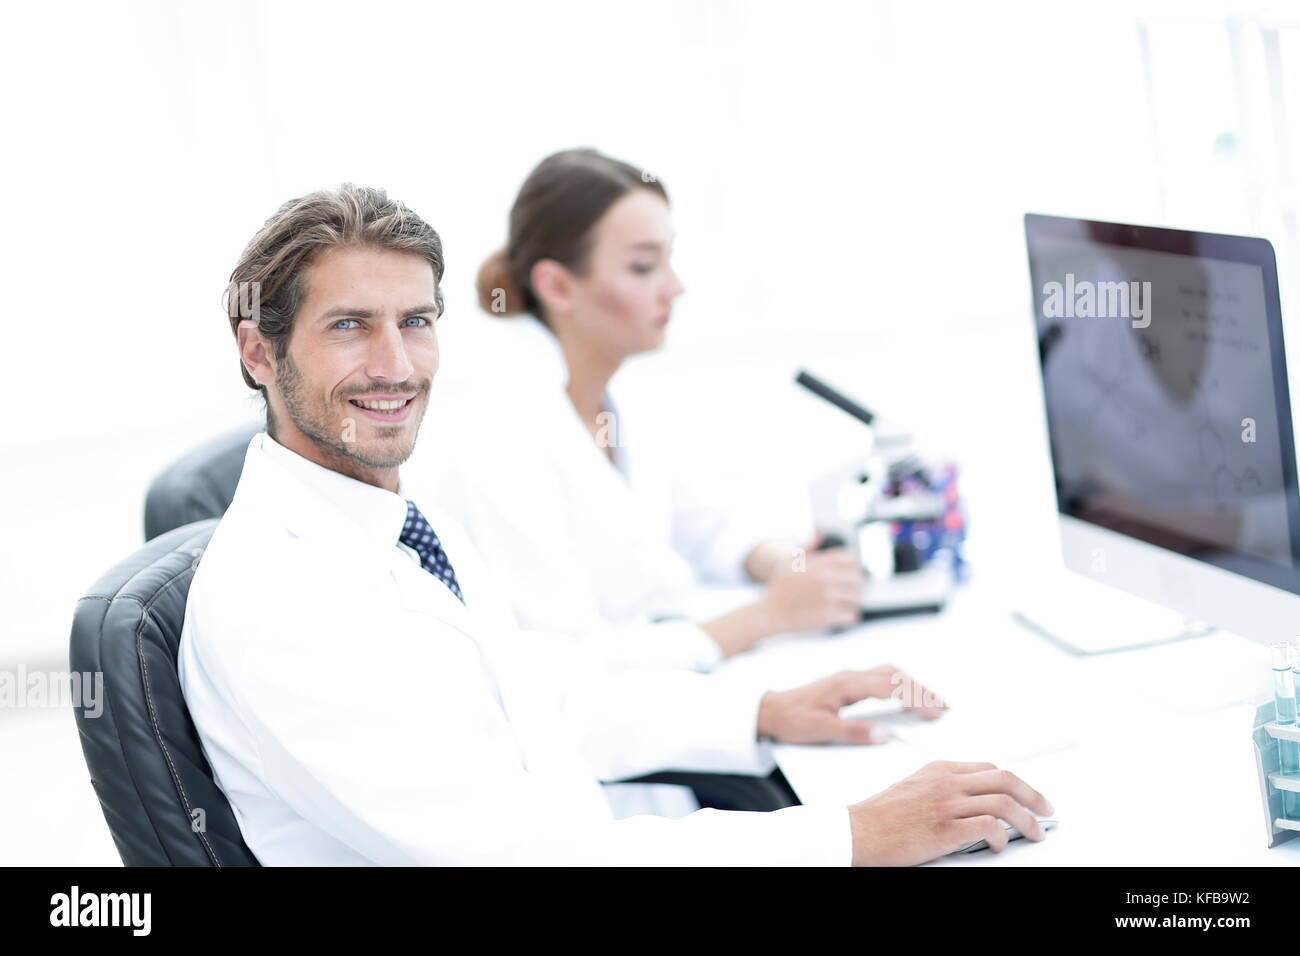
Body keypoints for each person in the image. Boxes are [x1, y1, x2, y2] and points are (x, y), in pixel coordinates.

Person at [177, 182, 1052, 865]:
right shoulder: (275, 600)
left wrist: (762, 709)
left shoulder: (398, 520)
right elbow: (517, 858)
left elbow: (535, 704)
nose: (396, 365)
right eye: (348, 328)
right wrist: (850, 835)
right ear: (258, 351)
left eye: (416, 322)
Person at [417, 148, 865, 676]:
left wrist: (787, 565)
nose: (675, 287)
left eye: (668, 260)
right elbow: (565, 665)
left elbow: (702, 526)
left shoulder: (612, 399)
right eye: (643, 266)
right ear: (557, 286)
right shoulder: (499, 432)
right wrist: (770, 616)